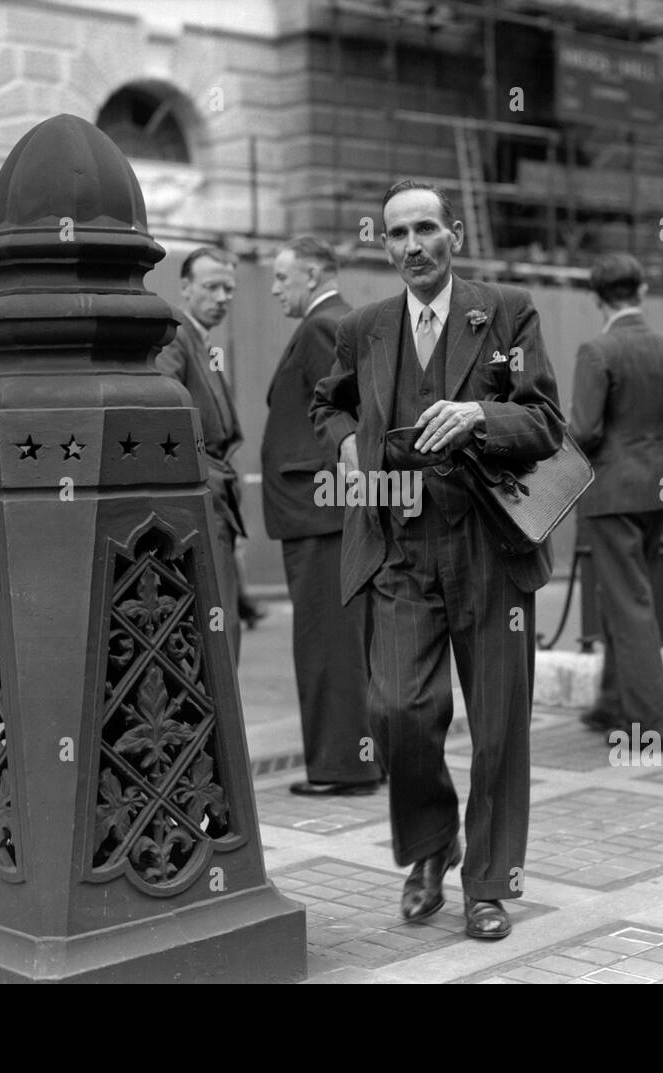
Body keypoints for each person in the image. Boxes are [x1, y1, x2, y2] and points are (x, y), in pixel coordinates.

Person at [312, 181, 564, 940]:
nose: (413, 245)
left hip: (488, 542)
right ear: (382, 244)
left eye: (426, 228)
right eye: (397, 233)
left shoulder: (506, 310)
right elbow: (328, 405)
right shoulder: (364, 328)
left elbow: (547, 420)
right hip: (398, 544)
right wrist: (349, 444)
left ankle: (486, 883)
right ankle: (431, 844)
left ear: (453, 232)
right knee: (397, 710)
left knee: (498, 724)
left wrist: (481, 415)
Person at [570, 253, 663, 738]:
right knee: (627, 597)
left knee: (628, 602)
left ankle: (653, 723)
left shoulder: (595, 350)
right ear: (642, 292)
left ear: (596, 299)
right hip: (657, 489)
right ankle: (611, 703)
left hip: (611, 493)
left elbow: (583, 431)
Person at [264, 235, 381, 796]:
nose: (275, 288)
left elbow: (342, 413)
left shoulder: (321, 325)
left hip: (318, 510)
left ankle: (341, 767)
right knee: (345, 642)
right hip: (329, 508)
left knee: (326, 645)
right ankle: (362, 759)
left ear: (312, 275)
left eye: (283, 277)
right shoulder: (341, 320)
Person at [155, 246, 245, 662]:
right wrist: (203, 473)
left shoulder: (201, 342)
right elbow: (164, 402)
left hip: (216, 495)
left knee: (223, 623)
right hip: (203, 496)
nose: (222, 297)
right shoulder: (176, 337)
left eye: (228, 288)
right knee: (217, 629)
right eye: (211, 287)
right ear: (186, 288)